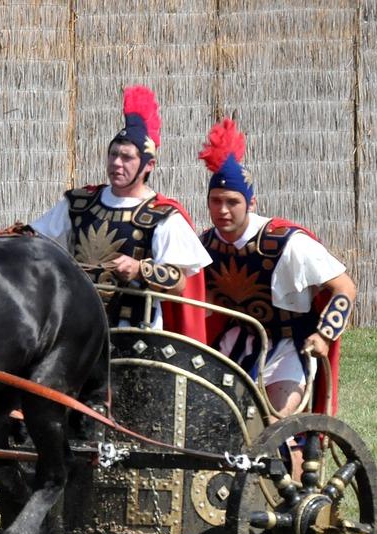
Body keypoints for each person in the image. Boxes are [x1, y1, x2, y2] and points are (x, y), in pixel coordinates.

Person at [198, 117, 356, 415]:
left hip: (288, 348)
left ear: (251, 203)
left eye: (232, 201)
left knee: (276, 427)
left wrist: (324, 334)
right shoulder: (205, 246)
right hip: (233, 346)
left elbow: (344, 286)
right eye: (215, 201)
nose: (222, 210)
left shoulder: (286, 243)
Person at [32, 85, 210, 340]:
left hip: (134, 335)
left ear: (148, 165)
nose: (116, 163)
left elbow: (179, 281)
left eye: (127, 157)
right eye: (113, 154)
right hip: (75, 326)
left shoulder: (162, 215)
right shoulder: (81, 204)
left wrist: (141, 269)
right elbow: (38, 239)